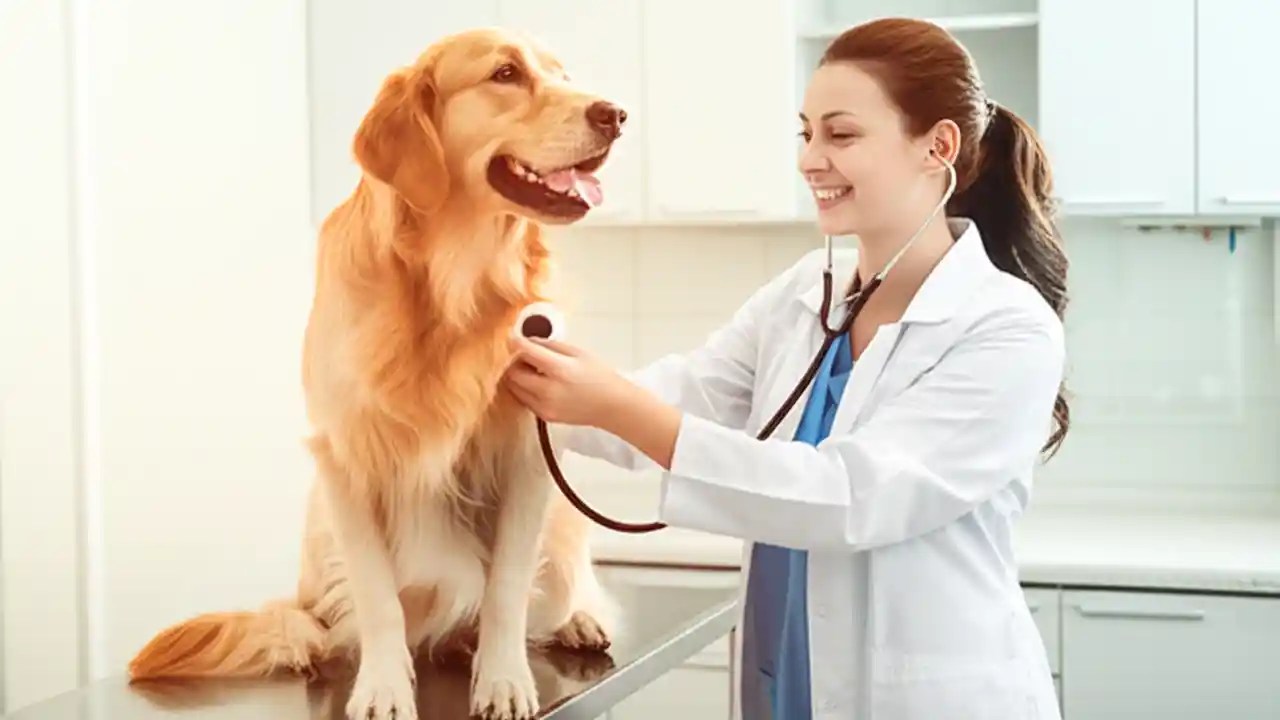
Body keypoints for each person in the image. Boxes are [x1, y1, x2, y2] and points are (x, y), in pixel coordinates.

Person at [504, 16, 1069, 720]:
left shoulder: (1007, 327)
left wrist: (612, 405)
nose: (810, 160)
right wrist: (510, 388)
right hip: (787, 686)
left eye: (841, 135)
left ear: (938, 147)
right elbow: (690, 394)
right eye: (805, 134)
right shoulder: (806, 292)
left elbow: (849, 497)